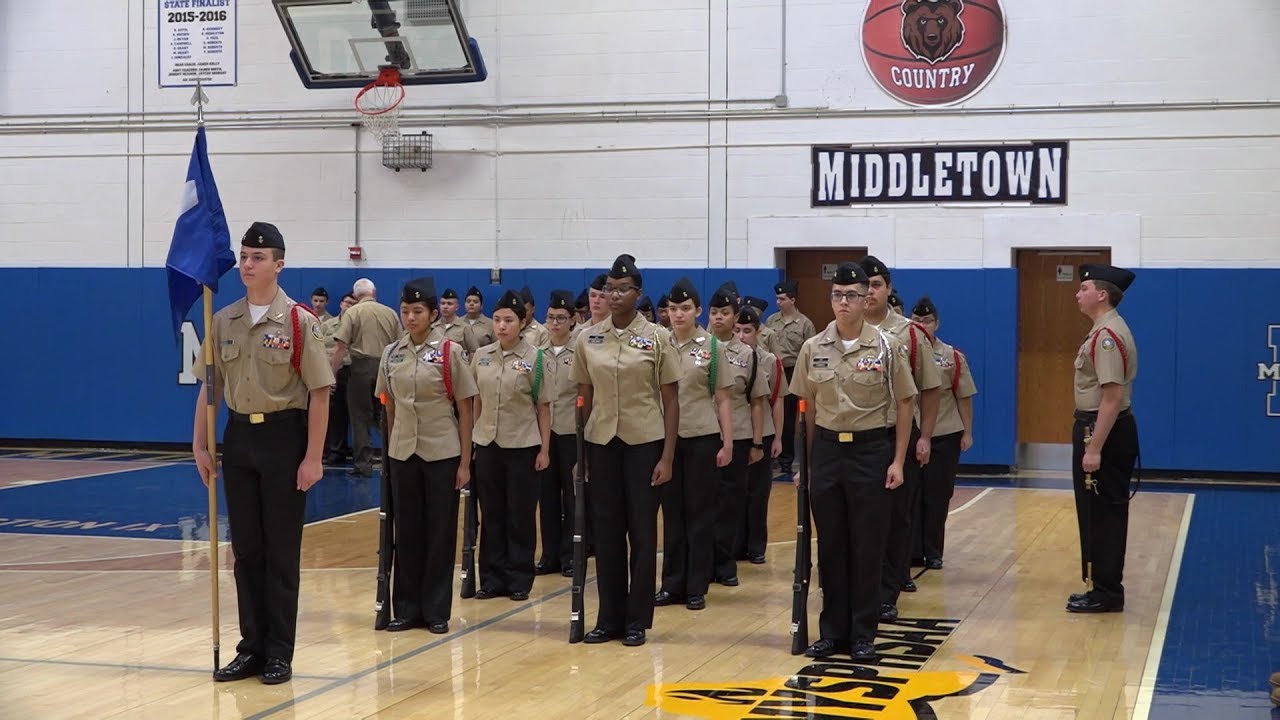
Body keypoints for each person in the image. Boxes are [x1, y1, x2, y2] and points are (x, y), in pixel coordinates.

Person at [192, 221, 334, 684]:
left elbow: (320, 392)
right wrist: (200, 443)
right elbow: (210, 386)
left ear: (279, 265)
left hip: (284, 439)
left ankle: (279, 653)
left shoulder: (299, 322)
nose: (247, 264)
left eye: (258, 258)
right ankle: (250, 648)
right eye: (243, 257)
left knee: (281, 551)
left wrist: (313, 457)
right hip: (239, 438)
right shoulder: (223, 319)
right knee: (246, 550)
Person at [788, 261, 915, 661]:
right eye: (837, 295)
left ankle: (862, 633)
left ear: (866, 300)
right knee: (831, 545)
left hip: (870, 451)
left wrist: (898, 460)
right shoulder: (813, 348)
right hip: (827, 451)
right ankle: (832, 632)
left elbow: (906, 402)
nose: (843, 302)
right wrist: (805, 464)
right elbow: (806, 410)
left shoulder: (887, 346)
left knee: (867, 546)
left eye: (852, 296)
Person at [571, 254, 680, 646]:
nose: (614, 295)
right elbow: (583, 397)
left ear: (638, 293)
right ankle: (609, 618)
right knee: (607, 533)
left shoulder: (657, 337)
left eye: (623, 289)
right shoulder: (588, 338)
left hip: (643, 444)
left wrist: (667, 456)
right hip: (602, 443)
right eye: (609, 289)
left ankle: (636, 621)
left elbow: (671, 399)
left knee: (643, 534)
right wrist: (581, 454)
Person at [375, 277, 477, 633]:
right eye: (405, 311)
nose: (410, 317)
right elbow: (388, 406)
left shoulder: (450, 352)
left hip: (441, 452)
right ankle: (406, 608)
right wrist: (391, 451)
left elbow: (465, 409)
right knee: (406, 531)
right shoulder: (392, 353)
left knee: (439, 533)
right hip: (403, 453)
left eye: (417, 311)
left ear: (433, 314)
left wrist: (465, 461)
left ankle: (435, 610)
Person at [859, 256, 941, 617]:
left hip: (898, 436)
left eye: (876, 285)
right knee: (859, 518)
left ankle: (887, 592)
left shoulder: (909, 333)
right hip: (855, 438)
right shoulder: (843, 331)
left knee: (896, 517)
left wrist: (926, 437)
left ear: (888, 289)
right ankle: (859, 588)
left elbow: (930, 388)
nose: (869, 292)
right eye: (864, 286)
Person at [654, 278, 733, 611]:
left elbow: (723, 398)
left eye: (685, 308)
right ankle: (672, 584)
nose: (678, 314)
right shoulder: (658, 343)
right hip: (665, 440)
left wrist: (728, 442)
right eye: (673, 308)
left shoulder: (712, 347)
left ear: (698, 311)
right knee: (671, 514)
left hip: (701, 436)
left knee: (699, 514)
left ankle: (696, 586)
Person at [471, 290, 552, 601]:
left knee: (519, 514)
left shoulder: (536, 358)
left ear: (522, 322)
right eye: (497, 320)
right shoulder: (482, 356)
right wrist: (475, 438)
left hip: (522, 445)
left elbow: (543, 407)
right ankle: (491, 578)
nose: (502, 326)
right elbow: (477, 400)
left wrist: (544, 449)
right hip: (488, 443)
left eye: (508, 320)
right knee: (491, 513)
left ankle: (519, 578)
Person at [1067, 264, 1139, 614]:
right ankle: (1100, 587)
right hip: (1098, 427)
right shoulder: (1102, 330)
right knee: (1095, 511)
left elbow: (1112, 397)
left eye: (1084, 288)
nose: (1078, 294)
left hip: (1102, 431)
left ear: (1102, 294)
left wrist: (1094, 448)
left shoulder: (1107, 336)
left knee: (1104, 513)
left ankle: (1107, 592)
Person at [706, 283, 769, 588]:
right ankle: (702, 563)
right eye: (714, 312)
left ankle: (725, 564)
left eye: (725, 312)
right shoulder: (697, 348)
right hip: (703, 434)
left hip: (739, 436)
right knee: (702, 502)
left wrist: (757, 442)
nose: (718, 317)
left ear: (735, 316)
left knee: (730, 503)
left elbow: (756, 401)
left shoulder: (747, 354)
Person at [909, 296, 977, 570]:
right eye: (916, 321)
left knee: (938, 495)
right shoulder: (902, 352)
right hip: (911, 433)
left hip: (944, 433)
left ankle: (933, 550)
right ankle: (912, 551)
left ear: (936, 323)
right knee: (911, 494)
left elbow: (964, 396)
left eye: (927, 321)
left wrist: (967, 432)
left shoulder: (952, 357)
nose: (922, 325)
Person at [331, 278, 401, 477]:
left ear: (355, 295)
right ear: (374, 292)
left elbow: (341, 347)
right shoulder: (390, 313)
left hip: (360, 370)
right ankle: (394, 459)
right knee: (386, 415)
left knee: (360, 417)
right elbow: (400, 344)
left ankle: (363, 465)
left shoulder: (352, 313)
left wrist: (332, 375)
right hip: (386, 369)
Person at [734, 306, 785, 564]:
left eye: (747, 331)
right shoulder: (724, 356)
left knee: (758, 493)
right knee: (733, 493)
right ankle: (734, 545)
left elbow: (777, 400)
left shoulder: (770, 361)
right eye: (737, 330)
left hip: (762, 432)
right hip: (734, 432)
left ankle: (756, 546)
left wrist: (777, 437)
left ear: (757, 332)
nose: (741, 336)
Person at [537, 290, 580, 576]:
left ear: (572, 320)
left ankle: (570, 554)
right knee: (547, 496)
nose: (555, 323)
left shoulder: (580, 352)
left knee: (572, 497)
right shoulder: (536, 353)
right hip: (544, 434)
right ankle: (549, 555)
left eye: (561, 318)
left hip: (571, 431)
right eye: (551, 317)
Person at [766, 280, 817, 476]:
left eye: (782, 299)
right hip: (775, 371)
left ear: (792, 300)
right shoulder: (771, 321)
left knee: (790, 417)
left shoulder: (805, 324)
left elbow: (811, 352)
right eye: (777, 299)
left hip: (795, 371)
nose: (778, 302)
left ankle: (787, 459)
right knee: (775, 414)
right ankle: (773, 455)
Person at [322, 292, 357, 464]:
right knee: (332, 414)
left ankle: (345, 449)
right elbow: (318, 347)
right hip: (328, 371)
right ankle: (332, 449)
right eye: (347, 303)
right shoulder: (327, 325)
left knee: (351, 414)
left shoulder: (357, 326)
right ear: (341, 304)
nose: (348, 306)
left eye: (353, 304)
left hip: (349, 371)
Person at [431, 287, 481, 355]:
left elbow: (474, 351)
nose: (445, 306)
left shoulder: (465, 327)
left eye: (449, 304)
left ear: (457, 307)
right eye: (442, 303)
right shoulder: (433, 327)